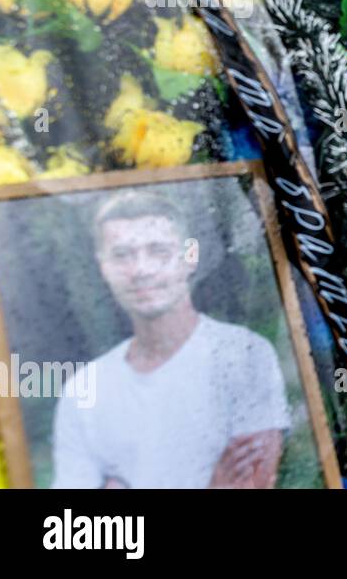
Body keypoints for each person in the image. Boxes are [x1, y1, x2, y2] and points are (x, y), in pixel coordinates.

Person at [52, 191, 290, 488]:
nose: (141, 270)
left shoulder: (243, 354)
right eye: (122, 255)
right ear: (104, 267)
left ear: (189, 256)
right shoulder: (83, 391)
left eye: (159, 250)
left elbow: (255, 483)